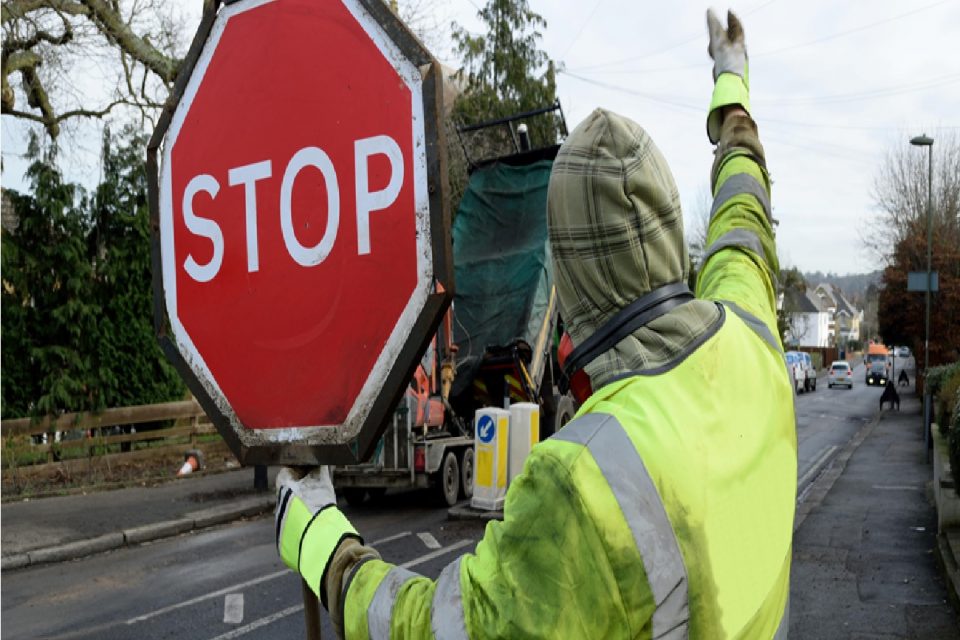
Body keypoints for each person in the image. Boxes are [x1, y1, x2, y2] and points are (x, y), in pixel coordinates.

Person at [274, 9, 796, 639]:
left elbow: (439, 630)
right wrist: (732, 87)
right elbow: (743, 210)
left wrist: (324, 546)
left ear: (567, 275)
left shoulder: (587, 478)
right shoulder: (752, 333)